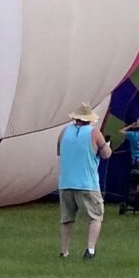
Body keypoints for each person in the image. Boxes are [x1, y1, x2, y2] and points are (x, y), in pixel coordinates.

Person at [58, 106, 111, 261]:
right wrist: (107, 146)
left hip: (66, 182)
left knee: (67, 218)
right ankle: (90, 250)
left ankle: (64, 251)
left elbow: (60, 152)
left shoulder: (63, 132)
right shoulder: (94, 133)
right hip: (87, 183)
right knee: (95, 216)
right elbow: (106, 154)